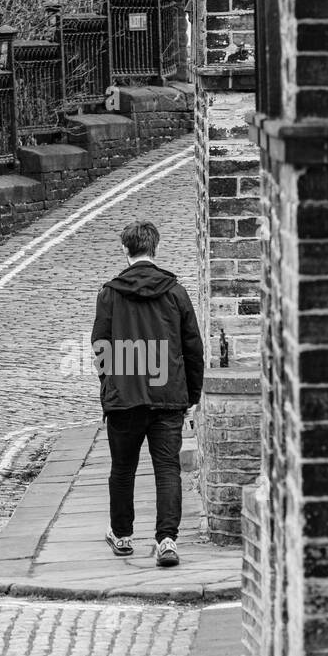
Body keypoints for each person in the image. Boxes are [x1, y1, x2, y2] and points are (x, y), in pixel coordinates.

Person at [91, 219, 204, 568]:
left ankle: (123, 536)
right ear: (154, 248)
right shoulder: (175, 292)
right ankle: (167, 540)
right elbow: (193, 348)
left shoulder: (110, 293)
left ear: (126, 249)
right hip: (168, 396)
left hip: (124, 397)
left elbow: (100, 345)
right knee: (167, 468)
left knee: (122, 468)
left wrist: (110, 382)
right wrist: (192, 394)